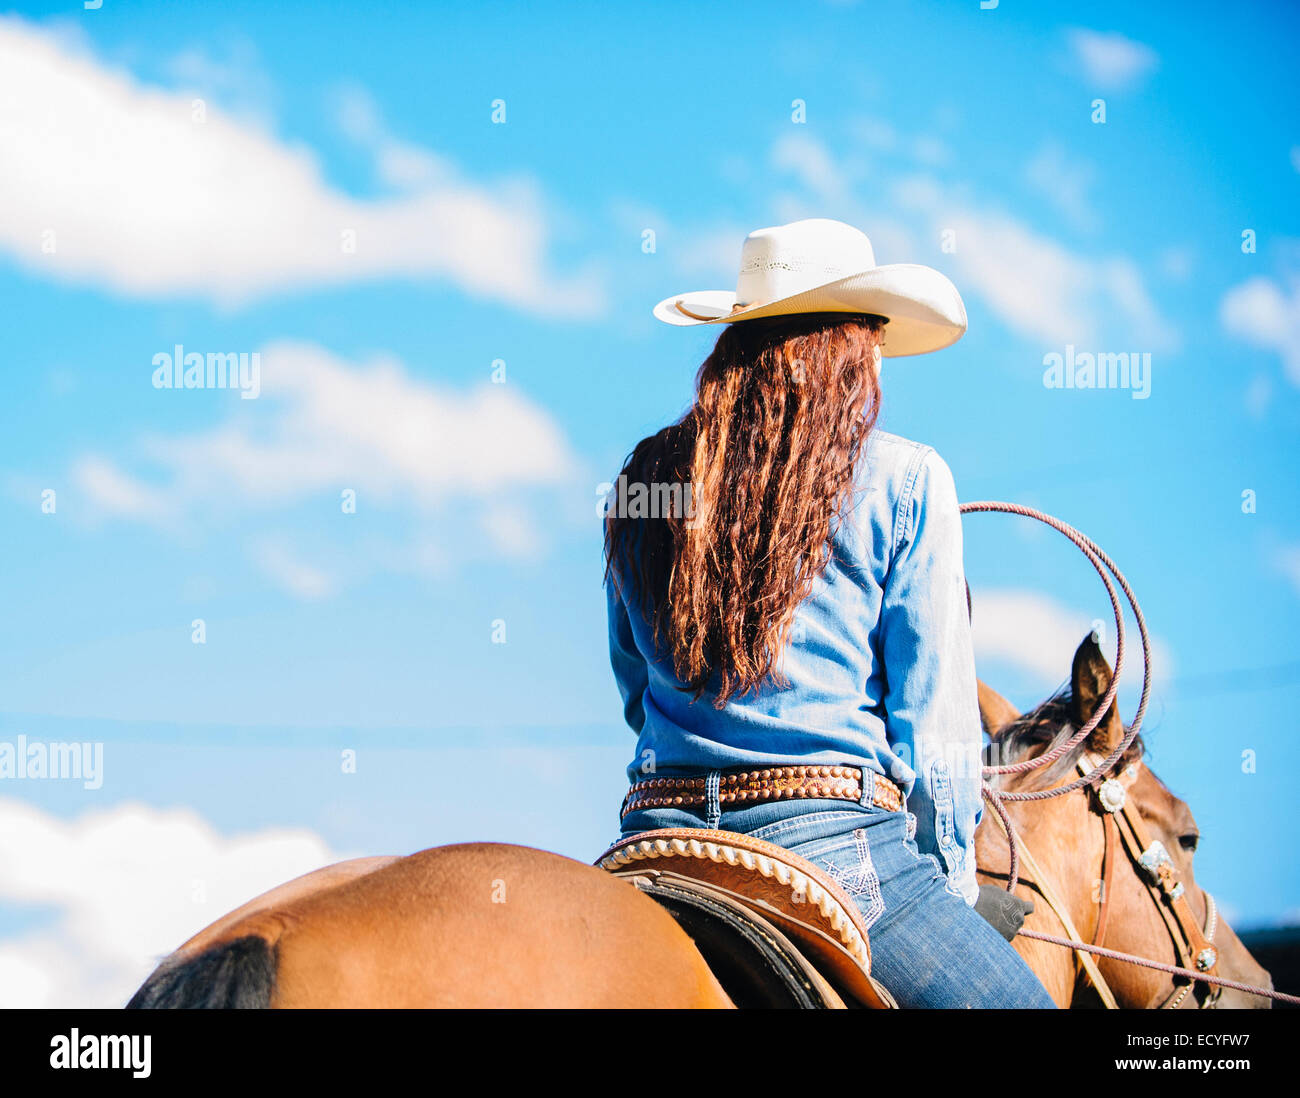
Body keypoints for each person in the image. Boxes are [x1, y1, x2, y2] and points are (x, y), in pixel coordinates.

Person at [602, 218, 1053, 1008]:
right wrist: (946, 882)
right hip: (833, 848)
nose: (878, 356)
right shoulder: (908, 479)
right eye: (872, 336)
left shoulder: (643, 482)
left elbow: (636, 686)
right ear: (846, 347)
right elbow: (936, 730)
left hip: (655, 839)